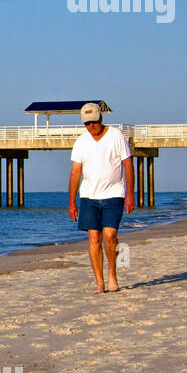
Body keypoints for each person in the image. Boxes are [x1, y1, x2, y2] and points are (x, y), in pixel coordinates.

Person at [68, 102, 134, 293]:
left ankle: (112, 274)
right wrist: (72, 202)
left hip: (114, 193)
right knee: (94, 237)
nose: (91, 127)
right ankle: (99, 282)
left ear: (101, 119)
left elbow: (128, 165)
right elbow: (75, 173)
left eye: (94, 122)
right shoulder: (81, 142)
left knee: (110, 235)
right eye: (87, 124)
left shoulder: (116, 136)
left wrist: (130, 194)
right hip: (89, 196)